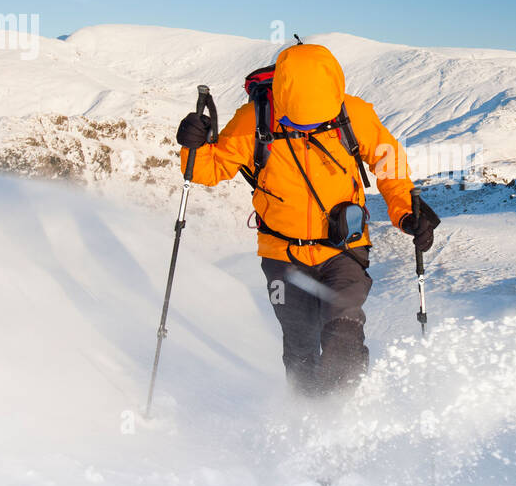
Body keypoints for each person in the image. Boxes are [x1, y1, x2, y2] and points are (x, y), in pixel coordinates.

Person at [176, 41, 439, 396]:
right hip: (281, 257)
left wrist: (408, 213)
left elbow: (389, 165)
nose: (307, 127)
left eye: (318, 122)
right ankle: (306, 417)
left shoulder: (353, 114)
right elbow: (209, 170)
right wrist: (194, 144)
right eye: (295, 121)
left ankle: (344, 413)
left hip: (344, 250)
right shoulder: (253, 119)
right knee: (299, 344)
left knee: (343, 331)